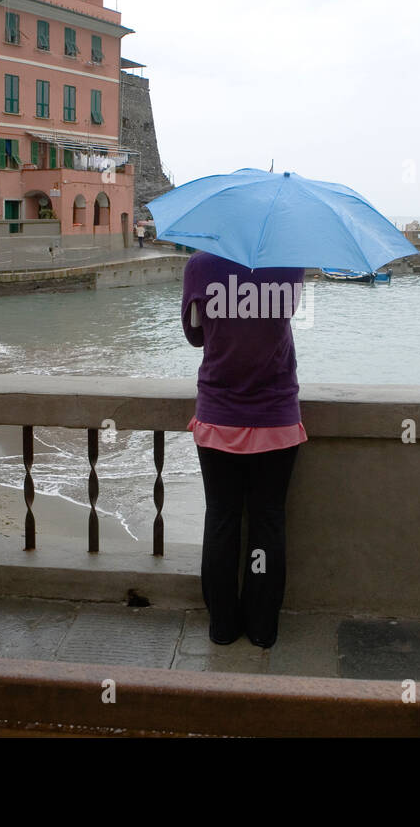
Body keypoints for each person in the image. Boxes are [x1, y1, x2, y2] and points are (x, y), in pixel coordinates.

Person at [181, 252, 306, 647]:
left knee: (221, 520)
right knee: (268, 523)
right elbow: (278, 322)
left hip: (220, 415)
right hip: (276, 416)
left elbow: (195, 334)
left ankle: (222, 627)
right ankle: (262, 629)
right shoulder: (290, 263)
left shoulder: (200, 265)